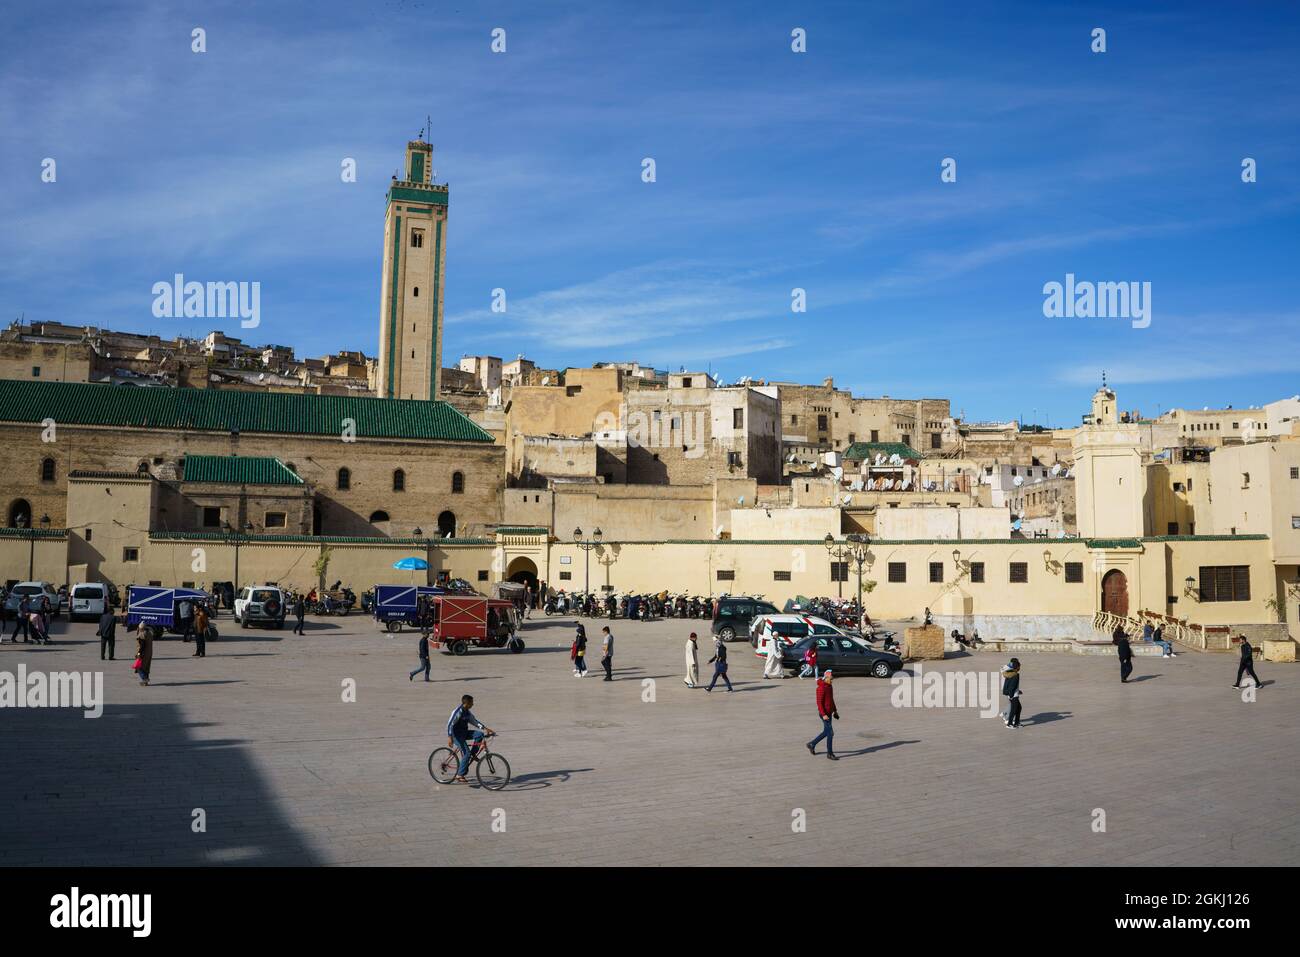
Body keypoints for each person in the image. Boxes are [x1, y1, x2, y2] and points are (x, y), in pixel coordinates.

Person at [445, 694, 493, 783]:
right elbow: (449, 724)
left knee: (479, 734)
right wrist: (449, 737)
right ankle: (459, 775)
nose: (473, 704)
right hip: (456, 736)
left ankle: (473, 754)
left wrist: (485, 728)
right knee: (466, 754)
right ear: (466, 703)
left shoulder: (467, 712)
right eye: (472, 702)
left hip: (464, 733)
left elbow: (474, 721)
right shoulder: (457, 712)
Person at [806, 670, 839, 759]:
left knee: (826, 732)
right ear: (826, 678)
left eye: (832, 679)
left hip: (829, 712)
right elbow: (819, 703)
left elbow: (831, 700)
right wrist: (823, 714)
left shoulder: (830, 686)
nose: (832, 681)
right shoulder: (821, 688)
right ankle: (830, 753)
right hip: (824, 714)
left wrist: (835, 711)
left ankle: (812, 744)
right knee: (830, 733)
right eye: (831, 679)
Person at [1000, 658, 1022, 728]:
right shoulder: (1014, 675)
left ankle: (1016, 722)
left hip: (1012, 693)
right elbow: (1012, 686)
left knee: (1018, 708)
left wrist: (1017, 691)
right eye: (1019, 667)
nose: (1019, 668)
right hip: (1012, 694)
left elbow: (1012, 685)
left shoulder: (1010, 673)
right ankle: (1009, 722)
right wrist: (1011, 695)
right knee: (1014, 708)